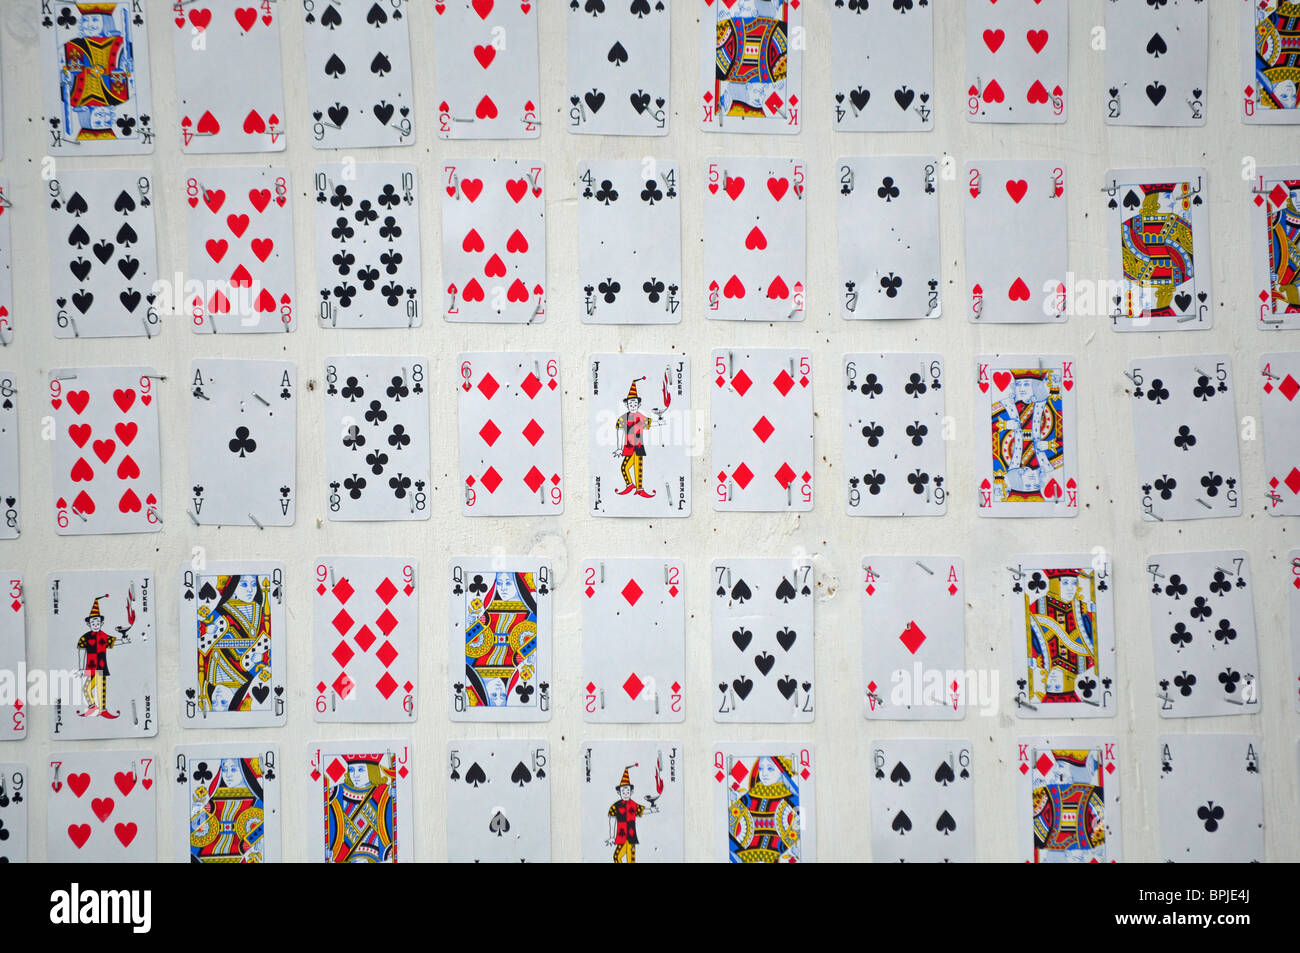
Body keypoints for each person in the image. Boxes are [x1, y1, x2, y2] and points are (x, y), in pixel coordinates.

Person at [197, 574, 272, 713]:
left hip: (240, 671)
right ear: (234, 587)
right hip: (226, 667)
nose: (250, 589)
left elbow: (265, 641)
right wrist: (210, 630)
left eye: (254, 585)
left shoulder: (257, 610)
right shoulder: (223, 609)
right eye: (244, 584)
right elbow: (202, 639)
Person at [462, 572, 538, 709]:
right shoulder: (532, 614)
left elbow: (465, 651)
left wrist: (480, 625)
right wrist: (520, 655)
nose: (503, 588)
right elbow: (537, 634)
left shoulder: (530, 611)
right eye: (500, 583)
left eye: (508, 582)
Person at [1026, 570, 1098, 705]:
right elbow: (1029, 638)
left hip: (1074, 673)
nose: (1071, 588)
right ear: (1053, 584)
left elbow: (1093, 644)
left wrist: (1094, 614)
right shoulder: (1038, 607)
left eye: (1074, 583)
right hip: (1050, 669)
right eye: (1065, 583)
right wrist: (1035, 660)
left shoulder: (1082, 608)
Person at [189, 757, 266, 863]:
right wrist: (206, 812)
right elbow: (190, 831)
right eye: (224, 769)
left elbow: (267, 825)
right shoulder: (212, 802)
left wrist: (249, 841)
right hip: (207, 855)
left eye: (233, 769)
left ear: (244, 771)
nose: (228, 775)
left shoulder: (259, 803)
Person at [727, 756, 802, 863]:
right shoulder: (750, 796)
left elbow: (802, 827)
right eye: (761, 768)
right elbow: (727, 828)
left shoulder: (794, 800)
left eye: (770, 768)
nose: (764, 773)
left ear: (782, 771)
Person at [325, 754, 396, 863]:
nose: (355, 775)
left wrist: (394, 797)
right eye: (352, 770)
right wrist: (327, 849)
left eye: (361, 770)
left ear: (371, 770)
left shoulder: (384, 793)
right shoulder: (337, 792)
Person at [613, 379, 660, 498]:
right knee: (624, 467)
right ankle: (630, 485)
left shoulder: (640, 417)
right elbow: (619, 431)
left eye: (635, 403)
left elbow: (650, 423)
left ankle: (639, 489)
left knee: (638, 470)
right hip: (628, 448)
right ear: (626, 405)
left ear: (638, 404)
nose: (632, 405)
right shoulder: (623, 418)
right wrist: (619, 448)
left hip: (638, 447)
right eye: (630, 404)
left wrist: (661, 422)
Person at [76, 596, 119, 719]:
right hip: (90, 667)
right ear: (88, 624)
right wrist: (80, 668)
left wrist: (125, 640)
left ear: (102, 623)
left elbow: (113, 641)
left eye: (98, 622)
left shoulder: (103, 636)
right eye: (93, 622)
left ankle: (102, 710)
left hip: (100, 666)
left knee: (101, 690)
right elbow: (81, 652)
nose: (95, 624)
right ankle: (92, 706)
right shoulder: (85, 637)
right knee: (86, 689)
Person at [606, 766, 647, 863]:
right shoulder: (615, 806)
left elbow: (642, 811)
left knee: (631, 861)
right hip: (621, 837)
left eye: (627, 791)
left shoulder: (633, 804)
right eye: (623, 791)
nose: (625, 793)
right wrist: (612, 837)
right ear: (619, 792)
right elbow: (612, 821)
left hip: (631, 838)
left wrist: (653, 810)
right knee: (617, 857)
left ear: (631, 792)